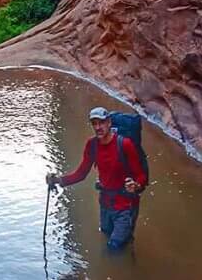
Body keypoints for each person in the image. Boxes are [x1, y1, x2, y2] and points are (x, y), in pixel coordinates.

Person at [46, 107, 147, 250]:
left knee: (114, 248)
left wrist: (136, 185)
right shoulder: (92, 145)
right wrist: (57, 180)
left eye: (101, 123)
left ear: (109, 123)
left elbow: (141, 174)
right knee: (106, 235)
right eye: (94, 123)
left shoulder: (125, 145)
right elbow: (81, 174)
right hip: (105, 204)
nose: (98, 127)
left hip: (125, 206)